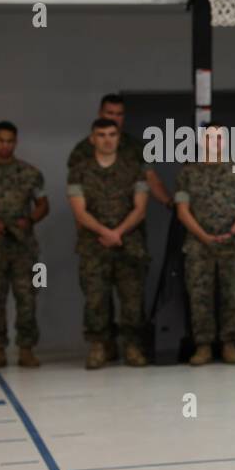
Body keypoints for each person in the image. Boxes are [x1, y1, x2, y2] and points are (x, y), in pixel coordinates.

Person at [67, 118, 150, 370]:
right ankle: (98, 347)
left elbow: (141, 208)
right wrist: (105, 232)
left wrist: (119, 232)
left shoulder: (133, 168)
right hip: (94, 246)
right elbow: (80, 212)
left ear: (118, 137)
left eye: (112, 134)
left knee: (132, 299)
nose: (107, 139)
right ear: (92, 139)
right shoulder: (79, 171)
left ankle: (132, 346)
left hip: (129, 244)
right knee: (95, 299)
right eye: (101, 135)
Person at [174, 123, 235, 365]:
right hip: (199, 246)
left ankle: (230, 344)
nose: (216, 142)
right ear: (201, 141)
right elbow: (182, 210)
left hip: (233, 243)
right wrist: (203, 236)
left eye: (220, 138)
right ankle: (203, 346)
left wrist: (232, 232)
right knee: (200, 296)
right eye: (210, 138)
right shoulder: (188, 173)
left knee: (232, 294)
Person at [0, 121, 48, 369]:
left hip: (24, 249)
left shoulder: (30, 173)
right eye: (1, 140)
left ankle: (26, 349)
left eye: (10, 141)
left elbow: (44, 204)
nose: (5, 146)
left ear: (16, 142)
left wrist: (30, 220)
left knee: (28, 298)